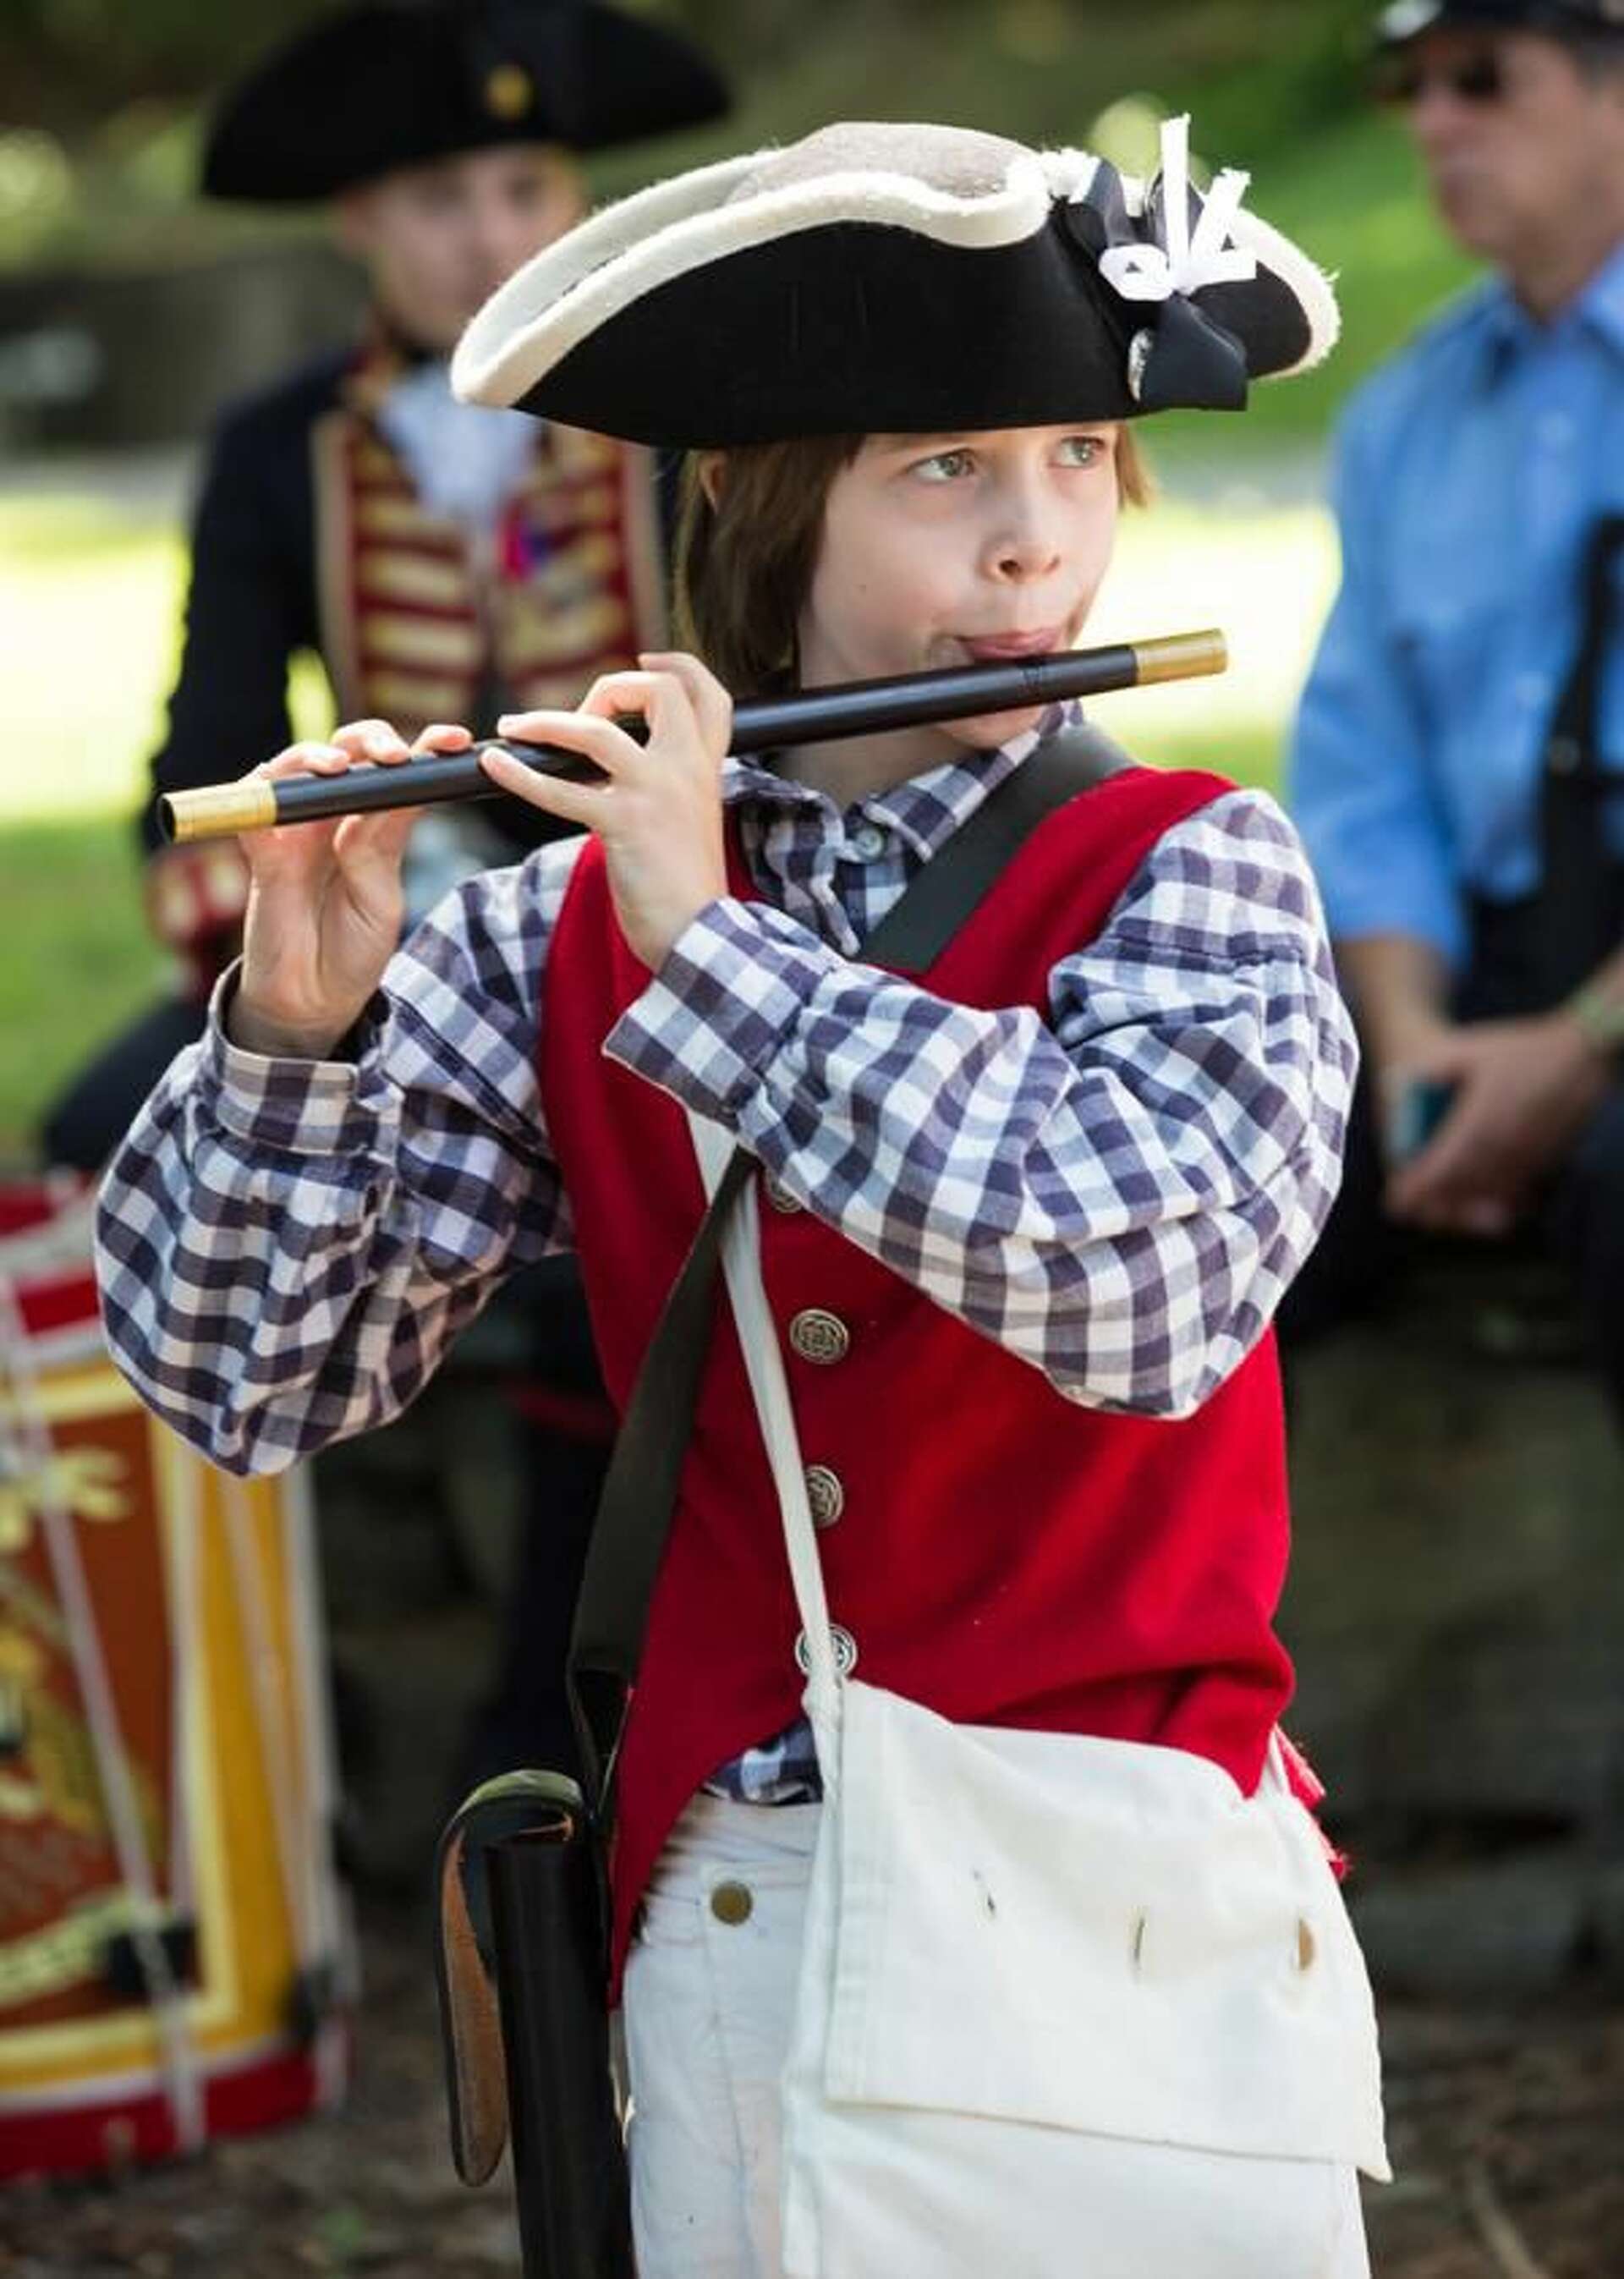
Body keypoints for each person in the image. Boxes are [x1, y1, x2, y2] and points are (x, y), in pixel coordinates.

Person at [96, 117, 1385, 2276]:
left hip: (1127, 1918)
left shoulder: (1195, 868)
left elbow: (1152, 1284)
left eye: (1078, 454)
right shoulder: (553, 925)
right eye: (946, 469)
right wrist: (294, 1034)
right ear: (756, 500)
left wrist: (715, 953)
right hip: (740, 1920)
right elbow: (243, 1383)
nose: (1033, 540)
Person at [44, 0, 727, 1803]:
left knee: (630, 1184)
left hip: (628, 925)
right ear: (360, 221)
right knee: (103, 1133)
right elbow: (196, 750)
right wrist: (266, 917)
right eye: (441, 195)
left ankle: (553, 1712)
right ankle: (213, 1723)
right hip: (383, 934)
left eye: (527, 183)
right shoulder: (281, 446)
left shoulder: (673, 418)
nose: (494, 234)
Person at [1285, 0, 1624, 1424]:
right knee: (1225, 1186)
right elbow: (1363, 770)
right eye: (1410, 87)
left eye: (1484, 78)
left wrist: (1587, 1045)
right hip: (1470, 971)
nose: (1435, 122)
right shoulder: (1406, 414)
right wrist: (1410, 1040)